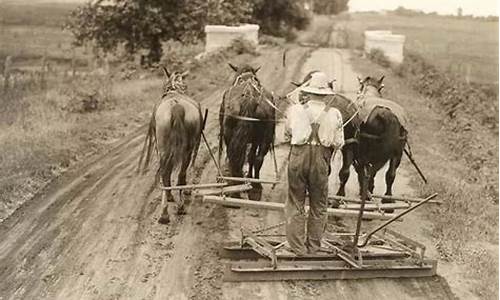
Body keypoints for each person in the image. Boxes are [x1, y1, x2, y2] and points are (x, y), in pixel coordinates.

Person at [284, 71, 344, 255]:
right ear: (326, 94)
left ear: (308, 93)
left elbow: (286, 134)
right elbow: (339, 142)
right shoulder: (335, 113)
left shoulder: (294, 110)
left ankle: (297, 247)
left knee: (296, 201)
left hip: (298, 157)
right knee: (319, 204)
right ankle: (313, 247)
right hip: (321, 160)